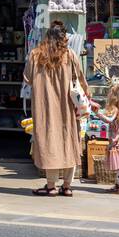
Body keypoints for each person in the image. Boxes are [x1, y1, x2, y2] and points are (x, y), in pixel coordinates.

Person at [23, 21, 86, 196]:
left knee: (49, 141)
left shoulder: (35, 55)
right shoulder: (70, 55)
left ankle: (51, 186)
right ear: (63, 38)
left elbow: (27, 78)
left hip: (44, 106)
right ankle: (67, 186)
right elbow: (79, 78)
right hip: (67, 106)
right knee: (68, 141)